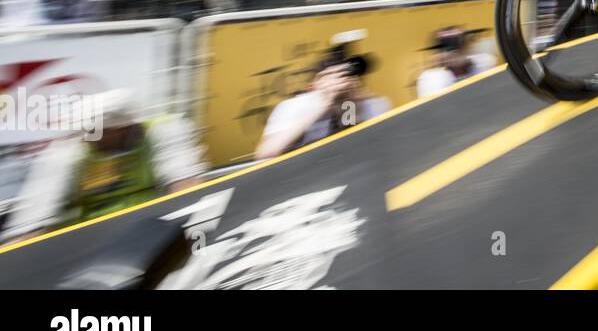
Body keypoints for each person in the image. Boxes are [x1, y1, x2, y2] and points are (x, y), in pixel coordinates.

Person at [4, 89, 206, 242]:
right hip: (89, 243)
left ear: (122, 128)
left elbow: (187, 188)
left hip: (153, 233)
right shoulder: (65, 154)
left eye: (93, 131)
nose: (85, 137)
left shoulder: (163, 130)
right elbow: (33, 221)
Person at [254, 36, 391, 159]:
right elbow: (266, 153)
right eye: (331, 76)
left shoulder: (368, 104)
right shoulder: (294, 106)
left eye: (345, 76)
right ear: (313, 84)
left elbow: (352, 149)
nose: (340, 82)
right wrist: (322, 104)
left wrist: (349, 104)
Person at [416, 27, 497, 97]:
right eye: (446, 47)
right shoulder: (432, 79)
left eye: (458, 44)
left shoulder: (485, 65)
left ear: (467, 47)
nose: (453, 52)